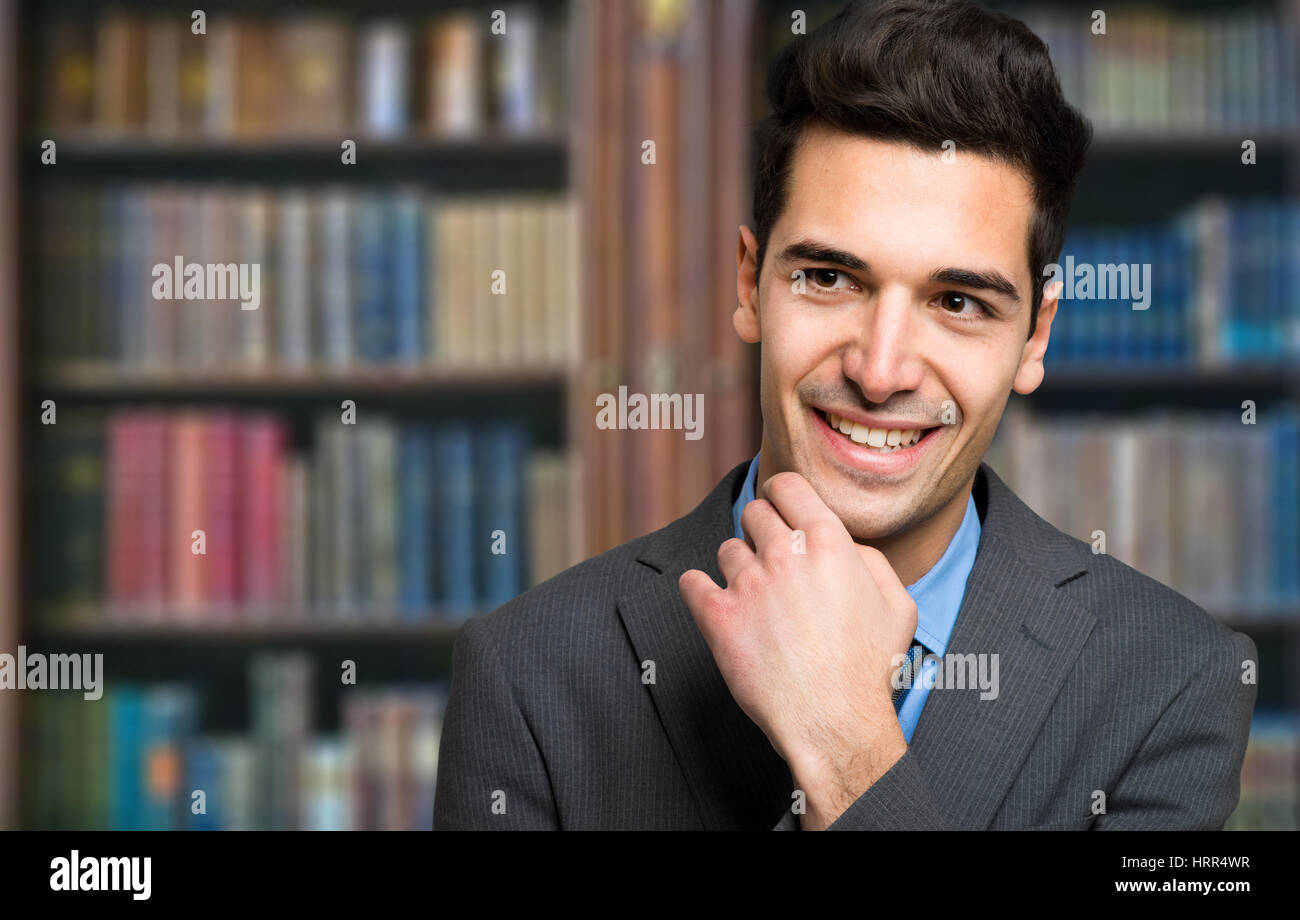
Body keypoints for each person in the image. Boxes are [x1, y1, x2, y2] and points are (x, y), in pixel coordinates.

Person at [433, 0, 1257, 830]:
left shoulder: (1173, 682)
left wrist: (845, 745)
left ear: (1035, 335)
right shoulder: (526, 671)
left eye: (958, 301)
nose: (879, 370)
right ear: (750, 284)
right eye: (830, 279)